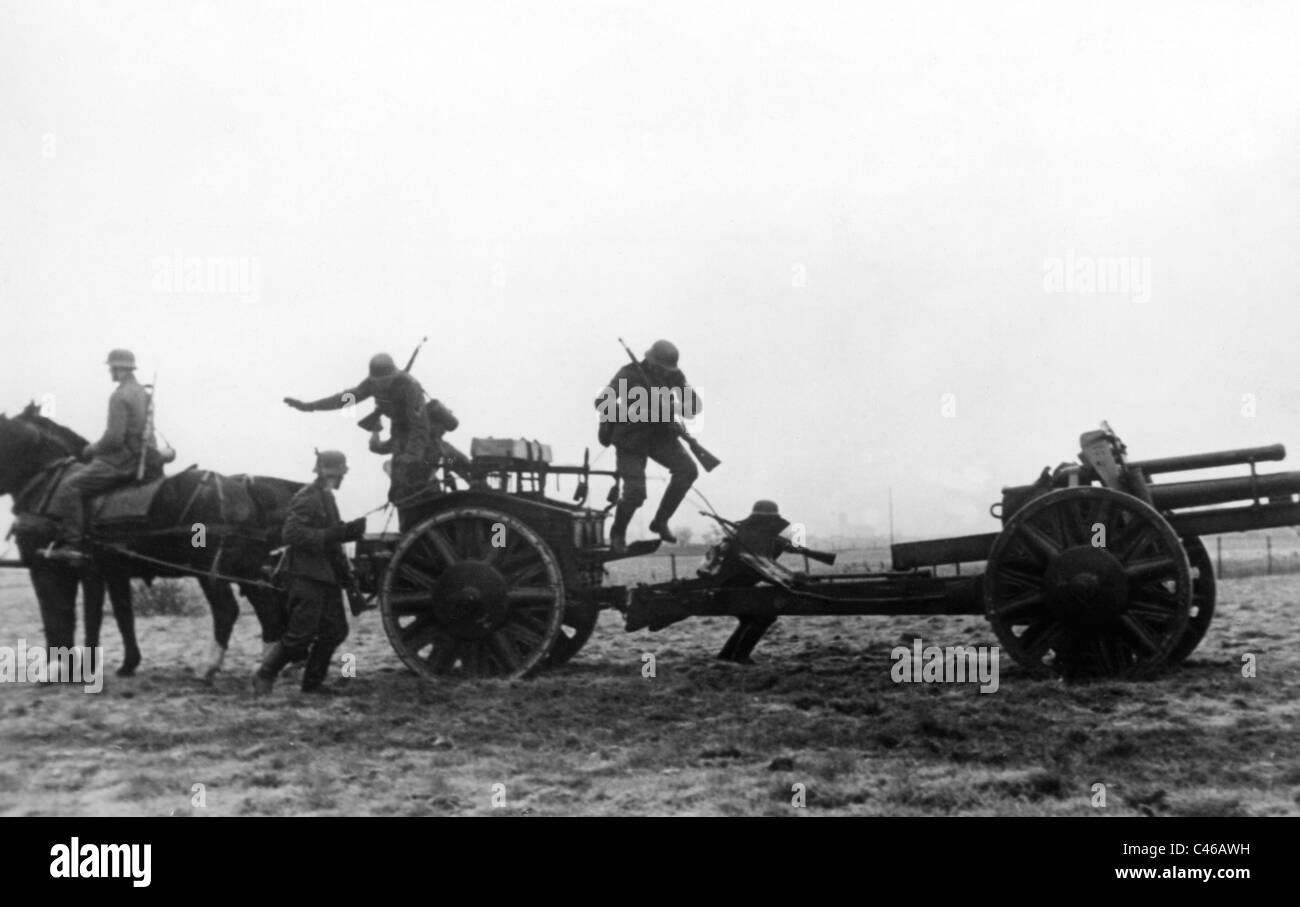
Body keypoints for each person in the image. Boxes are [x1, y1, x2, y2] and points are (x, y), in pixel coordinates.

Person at [253, 451, 367, 695]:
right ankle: (264, 674)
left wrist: (346, 532)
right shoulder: (307, 497)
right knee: (299, 635)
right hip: (306, 576)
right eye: (340, 472)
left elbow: (329, 535)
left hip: (325, 577)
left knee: (335, 631)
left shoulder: (326, 497)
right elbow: (292, 534)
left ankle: (312, 684)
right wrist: (338, 534)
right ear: (329, 472)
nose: (343, 476)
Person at [45, 349, 156, 561]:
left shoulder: (119, 396)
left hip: (121, 462)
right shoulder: (143, 393)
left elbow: (114, 438)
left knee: (70, 486)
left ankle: (72, 544)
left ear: (120, 368)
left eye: (112, 368)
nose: (110, 372)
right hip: (142, 457)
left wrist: (91, 449)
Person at [594, 339, 702, 552]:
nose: (663, 372)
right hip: (630, 437)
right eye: (660, 368)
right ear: (650, 361)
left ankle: (660, 521)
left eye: (666, 369)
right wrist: (640, 411)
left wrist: (671, 406)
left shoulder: (674, 376)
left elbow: (693, 406)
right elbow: (602, 403)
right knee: (635, 493)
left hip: (660, 435)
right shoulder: (628, 373)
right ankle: (617, 533)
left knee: (688, 470)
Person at [283, 353, 433, 503]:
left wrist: (412, 455)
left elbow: (419, 425)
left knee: (435, 466)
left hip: (425, 437)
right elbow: (344, 399)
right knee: (400, 491)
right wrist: (310, 406)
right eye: (378, 382)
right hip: (400, 434)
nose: (381, 386)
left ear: (394, 376)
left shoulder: (409, 385)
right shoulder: (371, 384)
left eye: (386, 381)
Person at [709, 500, 793, 665]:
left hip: (735, 586)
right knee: (763, 616)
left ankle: (727, 655)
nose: (772, 526)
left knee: (752, 618)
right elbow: (756, 567)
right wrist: (784, 581)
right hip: (730, 588)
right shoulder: (745, 540)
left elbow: (764, 564)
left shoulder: (745, 537)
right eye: (769, 522)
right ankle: (740, 656)